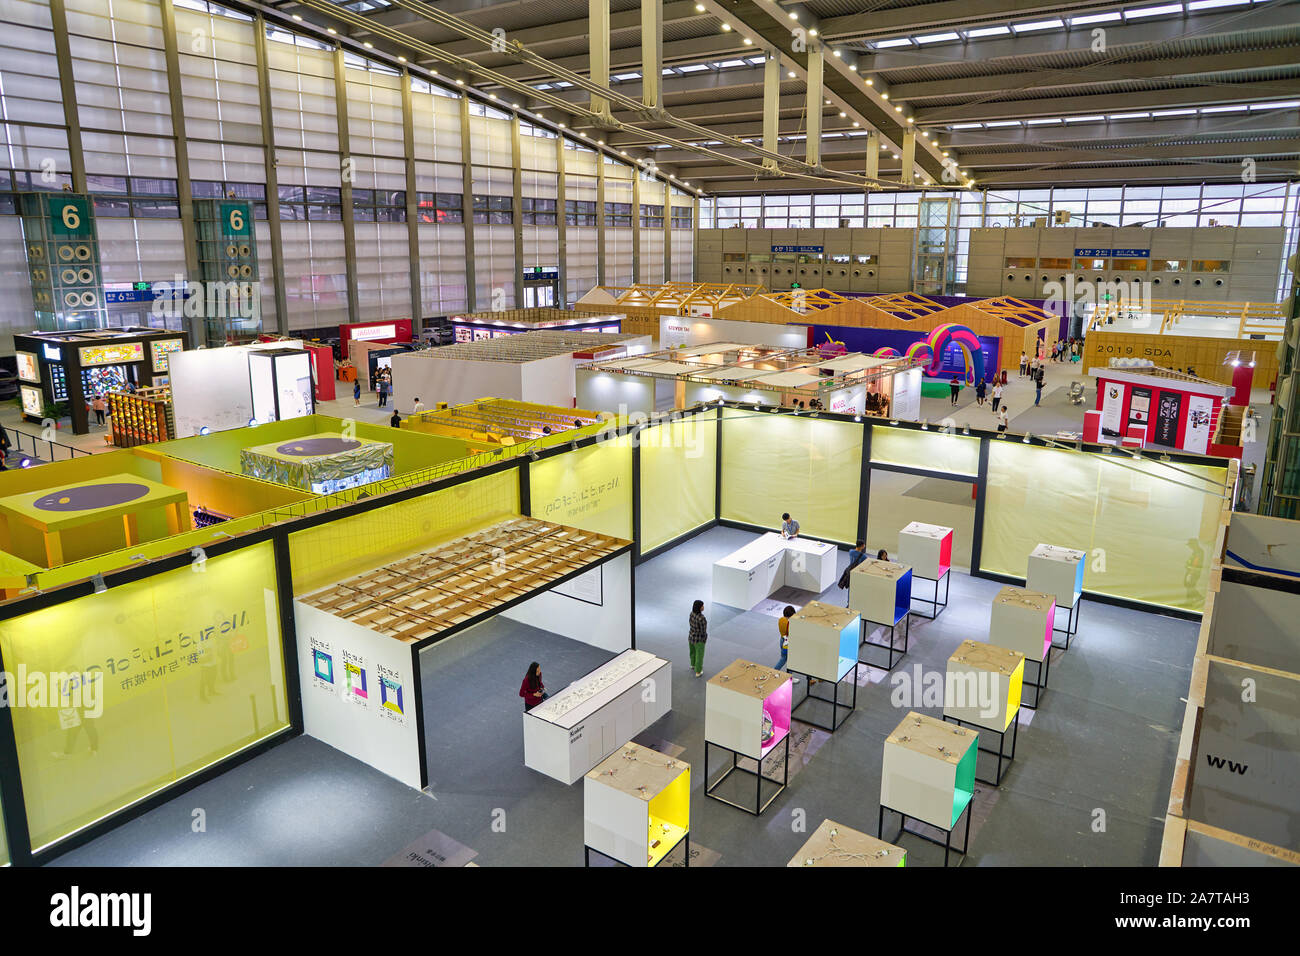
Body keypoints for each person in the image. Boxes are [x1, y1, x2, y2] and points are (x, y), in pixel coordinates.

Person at [688, 600, 708, 678]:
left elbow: (690, 624)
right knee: (699, 655)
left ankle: (692, 665)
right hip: (699, 640)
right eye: (702, 606)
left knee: (692, 652)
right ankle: (698, 671)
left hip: (691, 637)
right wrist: (704, 639)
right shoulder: (702, 618)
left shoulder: (691, 614)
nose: (703, 607)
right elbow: (703, 631)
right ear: (699, 608)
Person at [774, 606, 796, 675]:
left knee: (783, 658)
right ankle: (776, 671)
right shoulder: (790, 624)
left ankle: (775, 671)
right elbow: (791, 634)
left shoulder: (781, 619)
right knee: (788, 660)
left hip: (782, 640)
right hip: (788, 643)